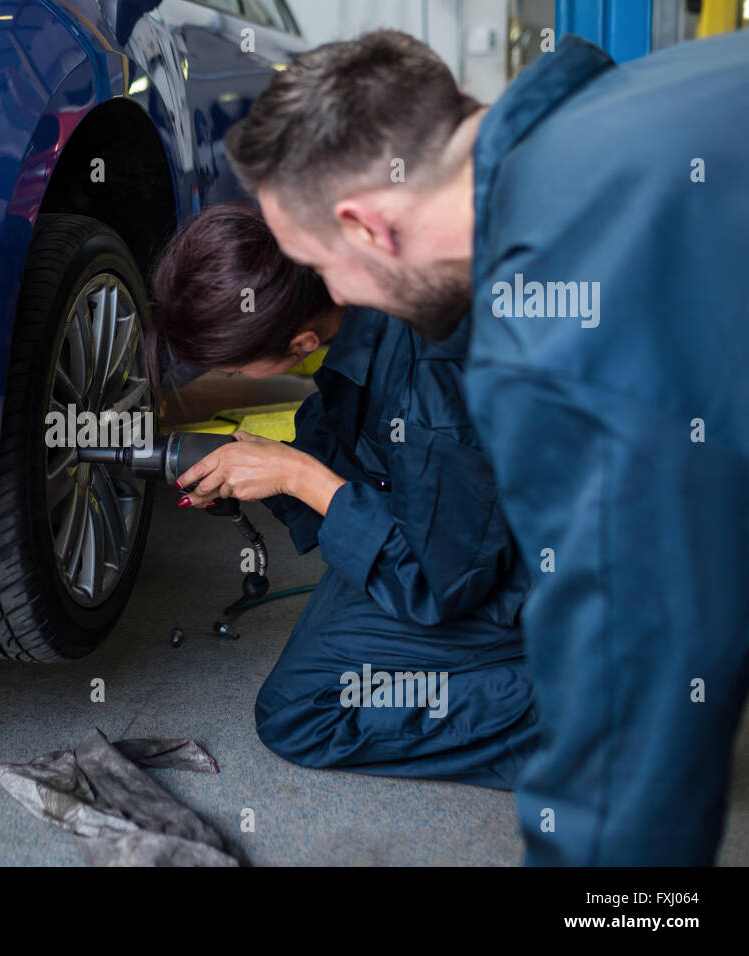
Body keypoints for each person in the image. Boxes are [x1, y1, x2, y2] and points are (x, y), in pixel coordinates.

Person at [216, 28, 749, 865]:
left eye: (318, 264)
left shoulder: (550, 324)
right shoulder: (618, 110)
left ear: (365, 228)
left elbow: (632, 697)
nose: (332, 299)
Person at [153, 203, 537, 790]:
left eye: (233, 373)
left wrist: (297, 476)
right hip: (470, 521)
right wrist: (261, 469)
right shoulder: (364, 280)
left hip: (541, 569)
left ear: (302, 338)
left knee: (302, 712)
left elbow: (440, 585)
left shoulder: (426, 385)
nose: (228, 381)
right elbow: (363, 447)